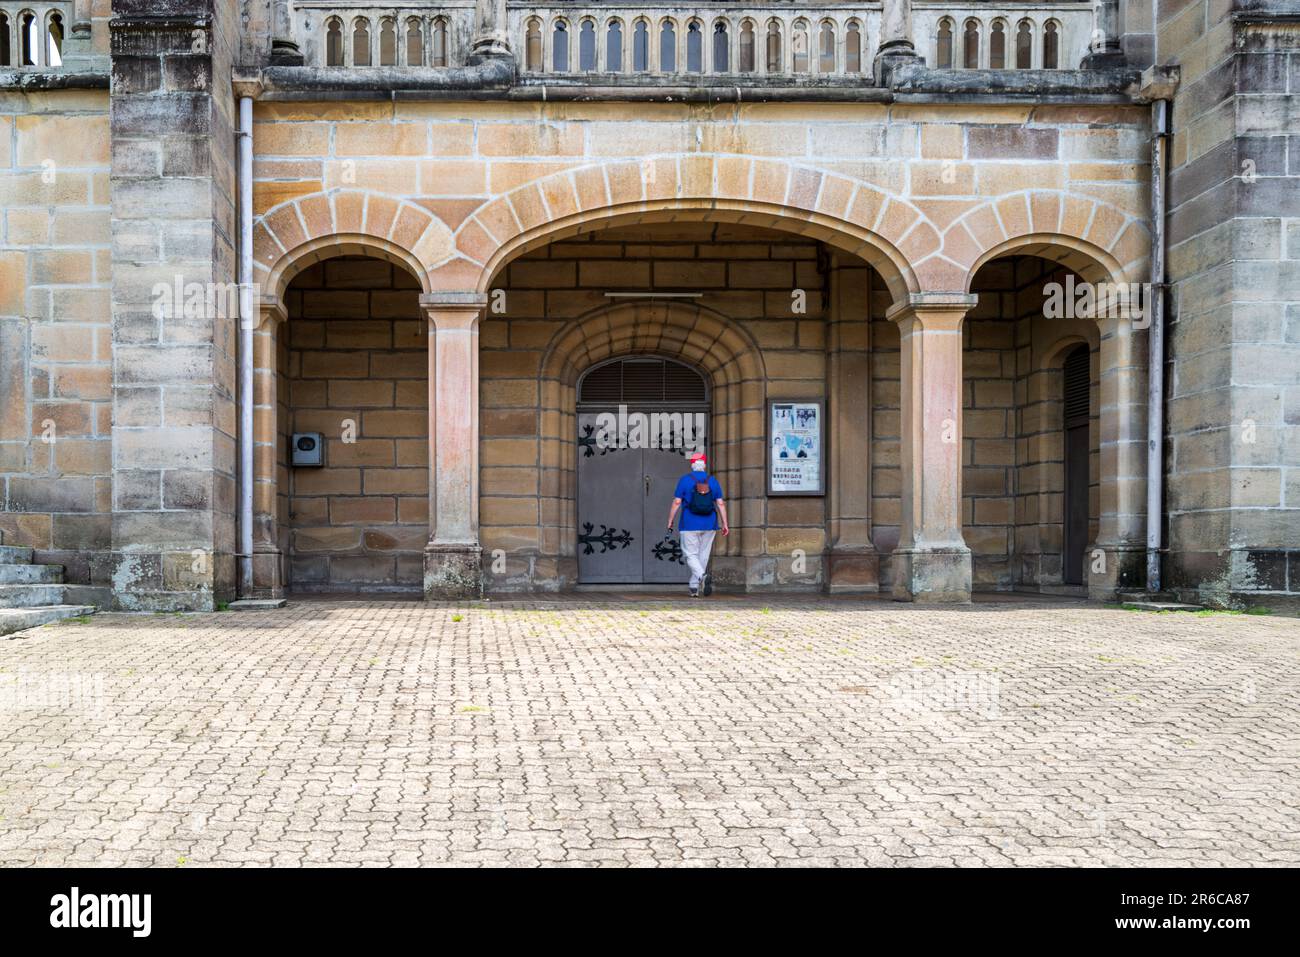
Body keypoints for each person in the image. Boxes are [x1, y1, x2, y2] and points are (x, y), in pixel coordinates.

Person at [666, 452, 729, 598]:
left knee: (690, 554)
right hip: (710, 523)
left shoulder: (685, 480)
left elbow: (677, 502)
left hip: (689, 523)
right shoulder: (712, 480)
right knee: (703, 555)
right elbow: (720, 503)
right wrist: (725, 523)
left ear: (692, 464)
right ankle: (694, 587)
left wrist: (670, 520)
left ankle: (701, 576)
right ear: (704, 465)